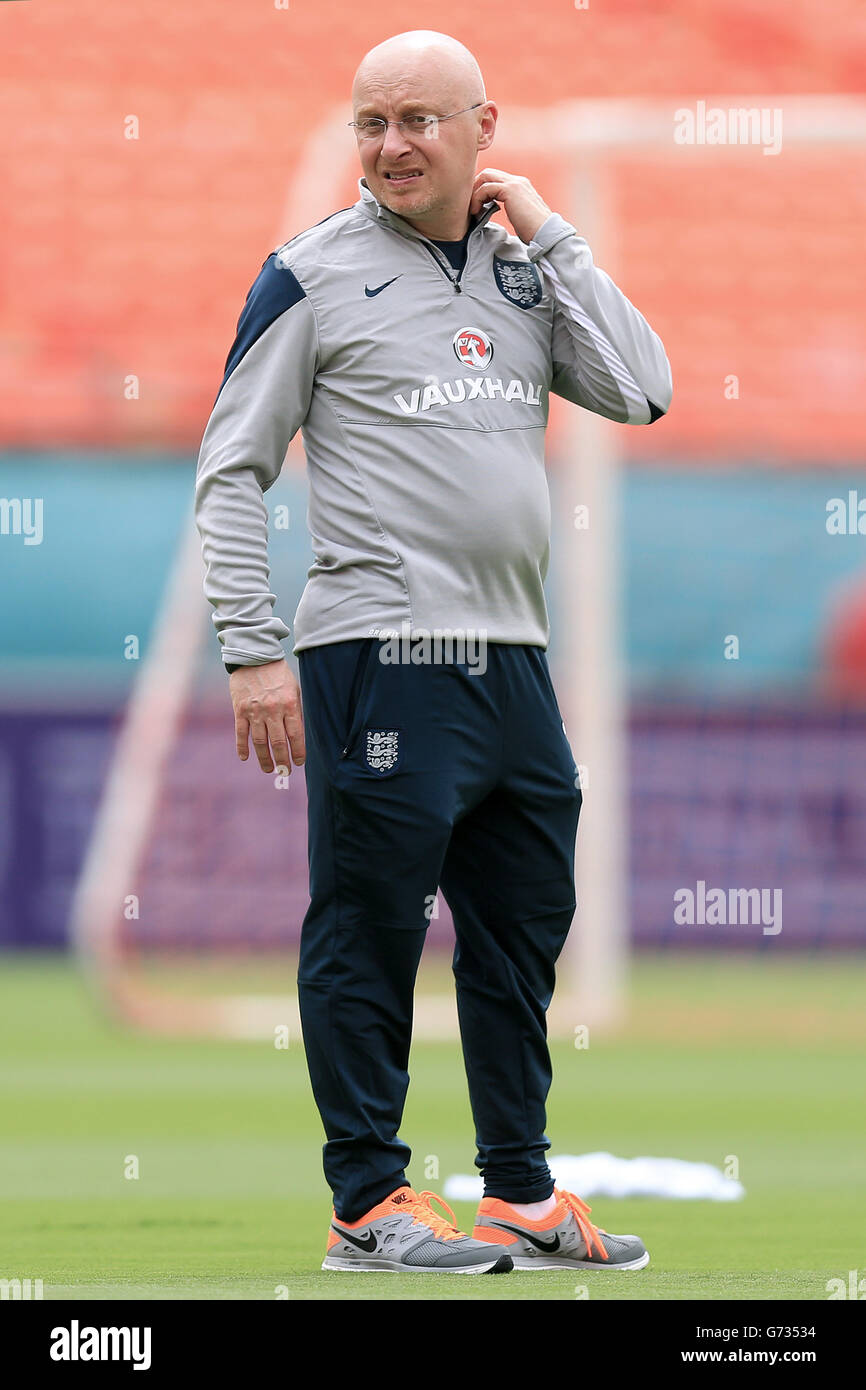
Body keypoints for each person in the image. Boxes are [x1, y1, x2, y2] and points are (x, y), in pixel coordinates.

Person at [195, 29, 672, 1276]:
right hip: (376, 656)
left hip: (512, 660)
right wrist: (252, 649)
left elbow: (642, 389)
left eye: (418, 120)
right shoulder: (306, 274)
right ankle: (369, 1203)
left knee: (520, 932)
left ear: (482, 129)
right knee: (370, 928)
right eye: (372, 123)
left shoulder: (526, 279)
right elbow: (229, 470)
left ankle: (518, 1191)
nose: (393, 145)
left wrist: (555, 239)